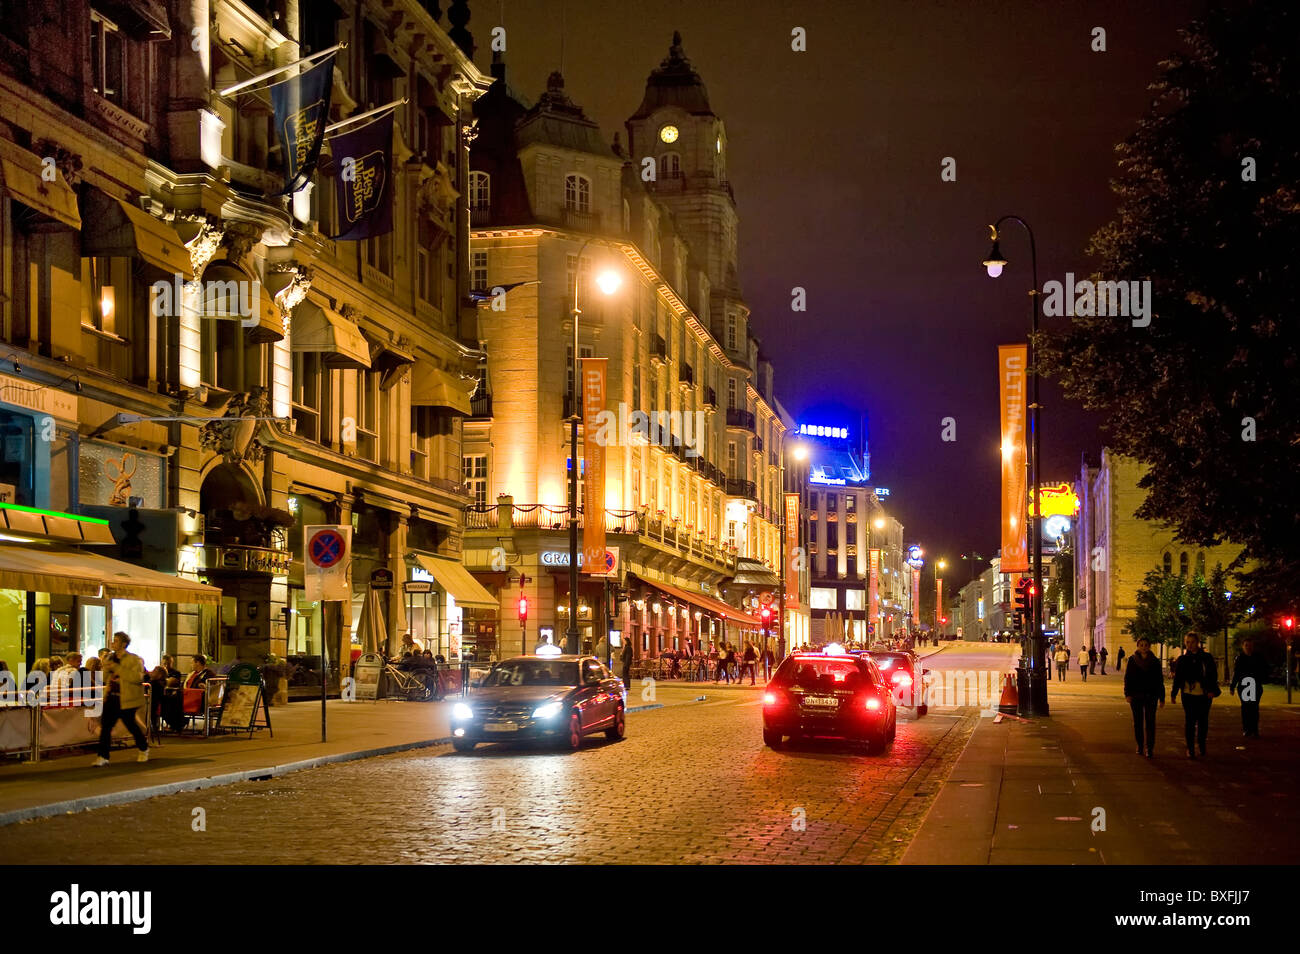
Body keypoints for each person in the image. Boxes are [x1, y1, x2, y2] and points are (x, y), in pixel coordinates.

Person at [94, 632, 149, 766]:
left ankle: (143, 748)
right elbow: (104, 678)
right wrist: (106, 668)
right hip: (112, 696)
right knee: (106, 726)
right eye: (113, 640)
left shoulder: (133, 659)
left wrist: (116, 667)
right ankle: (103, 756)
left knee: (131, 725)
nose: (113, 643)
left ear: (124, 644)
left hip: (127, 698)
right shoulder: (110, 658)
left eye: (116, 640)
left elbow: (137, 677)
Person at [1170, 631, 1220, 759]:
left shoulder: (1206, 658)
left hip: (1203, 694)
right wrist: (1174, 693)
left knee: (1203, 721)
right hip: (1188, 694)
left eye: (1192, 642)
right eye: (1187, 642)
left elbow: (1212, 675)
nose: (1190, 645)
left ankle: (1202, 744)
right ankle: (1190, 748)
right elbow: (1178, 677)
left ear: (1197, 642)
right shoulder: (1182, 660)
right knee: (1190, 721)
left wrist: (1211, 690)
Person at [1123, 637, 1165, 757]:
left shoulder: (1155, 661)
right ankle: (1140, 745)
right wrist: (1127, 694)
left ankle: (1150, 748)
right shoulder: (1132, 660)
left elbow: (1159, 680)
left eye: (1146, 645)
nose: (1143, 647)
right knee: (1138, 722)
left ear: (1149, 646)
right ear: (1138, 646)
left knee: (1151, 722)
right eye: (1141, 645)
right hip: (1136, 696)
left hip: (1151, 696)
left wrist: (1162, 698)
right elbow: (1128, 678)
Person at [1229, 636, 1269, 738]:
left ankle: (1254, 729)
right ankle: (1247, 728)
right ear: (1243, 647)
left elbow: (1264, 669)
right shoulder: (1240, 658)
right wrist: (1232, 686)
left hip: (1255, 686)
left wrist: (1261, 679)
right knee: (1246, 708)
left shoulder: (1258, 657)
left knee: (1254, 708)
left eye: (1250, 645)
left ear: (1253, 646)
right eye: (1246, 645)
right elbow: (1236, 673)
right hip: (1244, 687)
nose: (1248, 647)